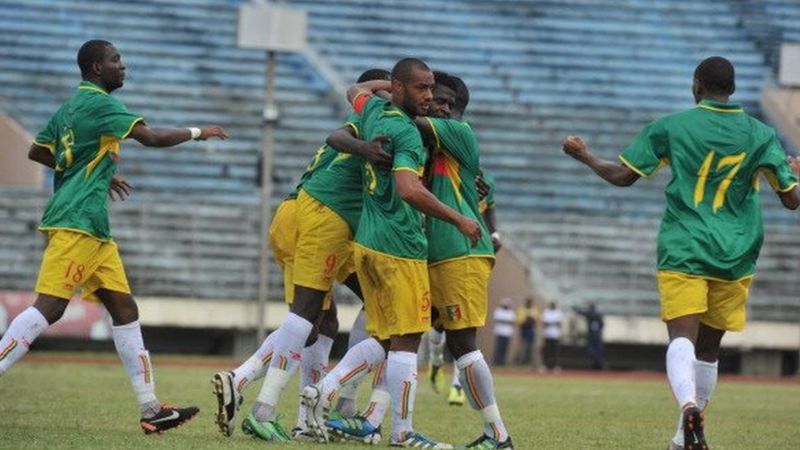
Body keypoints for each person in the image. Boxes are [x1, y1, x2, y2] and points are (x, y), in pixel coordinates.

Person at [562, 56, 800, 450]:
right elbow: (792, 200)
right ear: (733, 90)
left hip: (685, 246)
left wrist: (584, 155)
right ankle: (683, 435)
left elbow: (624, 177)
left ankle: (688, 406)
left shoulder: (670, 127)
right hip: (737, 252)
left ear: (696, 86)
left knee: (681, 338)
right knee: (709, 349)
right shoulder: (762, 135)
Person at [0, 40, 228, 434]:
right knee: (50, 308)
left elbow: (39, 152)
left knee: (124, 310)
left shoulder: (69, 108)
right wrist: (197, 132)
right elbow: (151, 137)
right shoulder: (103, 105)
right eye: (115, 60)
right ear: (95, 68)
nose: (122, 65)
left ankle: (151, 408)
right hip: (77, 222)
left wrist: (94, 166)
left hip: (91, 226)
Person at [301, 58, 481, 449]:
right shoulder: (407, 132)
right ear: (399, 90)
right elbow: (409, 190)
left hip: (367, 242)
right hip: (399, 245)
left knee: (384, 336)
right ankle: (402, 434)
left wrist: (388, 84)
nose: (430, 96)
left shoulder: (376, 111)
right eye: (421, 88)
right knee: (407, 339)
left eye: (431, 87)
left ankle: (326, 389)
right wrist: (459, 219)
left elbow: (355, 91)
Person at [211, 68, 393, 442]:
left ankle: (306, 414)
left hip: (299, 213)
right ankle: (263, 397)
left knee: (326, 321)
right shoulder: (370, 122)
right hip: (321, 217)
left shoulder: (357, 121)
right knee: (313, 315)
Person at [573, 302, 604, 370]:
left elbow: (582, 313)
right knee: (596, 351)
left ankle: (598, 365)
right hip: (597, 335)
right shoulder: (598, 314)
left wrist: (576, 309)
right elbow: (602, 325)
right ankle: (597, 365)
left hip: (593, 336)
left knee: (592, 350)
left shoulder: (591, 314)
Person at [492, 298, 515, 366]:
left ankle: (502, 362)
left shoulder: (511, 312)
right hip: (499, 332)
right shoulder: (498, 310)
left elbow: (512, 321)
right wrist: (506, 321)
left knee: (505, 348)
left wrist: (504, 321)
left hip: (507, 333)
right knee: (498, 347)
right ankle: (496, 361)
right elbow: (497, 319)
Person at [541, 302, 563, 372]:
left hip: (556, 335)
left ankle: (556, 366)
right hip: (547, 334)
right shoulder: (546, 312)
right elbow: (544, 323)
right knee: (547, 351)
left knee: (556, 352)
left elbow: (559, 323)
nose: (552, 306)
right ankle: (545, 365)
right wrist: (553, 323)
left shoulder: (558, 312)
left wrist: (550, 323)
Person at [516, 298, 538, 365]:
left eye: (530, 302)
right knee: (522, 346)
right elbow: (520, 321)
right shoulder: (521, 309)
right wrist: (528, 319)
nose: (529, 303)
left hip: (531, 330)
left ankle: (529, 361)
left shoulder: (534, 310)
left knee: (531, 346)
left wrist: (528, 319)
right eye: (528, 302)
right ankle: (521, 361)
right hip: (524, 330)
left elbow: (535, 320)